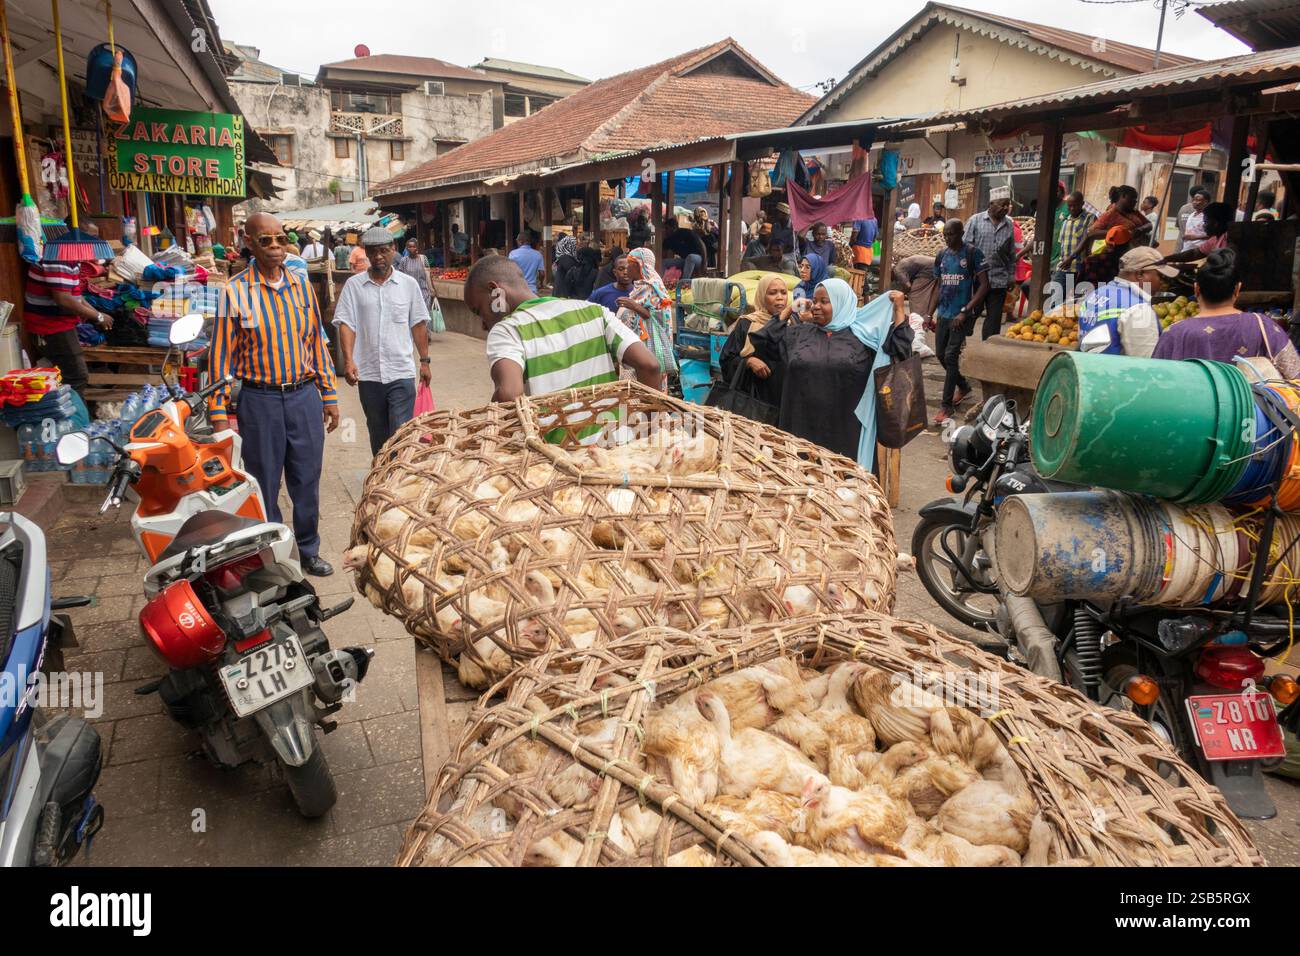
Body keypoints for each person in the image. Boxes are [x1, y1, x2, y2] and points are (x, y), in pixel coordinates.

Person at [209, 212, 339, 577]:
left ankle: (309, 548)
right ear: (248, 242)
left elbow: (316, 346)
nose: (276, 247)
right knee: (264, 483)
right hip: (260, 401)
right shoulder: (233, 293)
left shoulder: (301, 288)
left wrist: (329, 397)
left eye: (281, 239)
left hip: (303, 398)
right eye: (265, 241)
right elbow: (219, 361)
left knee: (307, 480)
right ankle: (274, 553)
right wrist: (219, 417)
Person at [749, 279, 912, 469]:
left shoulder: (863, 338)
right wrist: (789, 309)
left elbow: (901, 350)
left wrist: (899, 309)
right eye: (815, 301)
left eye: (824, 301)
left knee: (844, 487)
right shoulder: (799, 334)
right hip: (799, 429)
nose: (816, 306)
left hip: (845, 434)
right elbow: (763, 341)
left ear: (841, 303)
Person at [466, 255, 660, 403]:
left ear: (495, 291)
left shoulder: (506, 331)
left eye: (478, 310)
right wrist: (649, 431)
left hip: (553, 453)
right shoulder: (595, 312)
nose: (483, 324)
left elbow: (509, 395)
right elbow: (650, 365)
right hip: (611, 448)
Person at [332, 228, 432, 457]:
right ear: (366, 252)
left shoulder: (408, 285)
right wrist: (348, 361)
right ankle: (381, 475)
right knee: (377, 433)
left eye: (384, 251)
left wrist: (425, 361)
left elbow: (418, 324)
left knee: (399, 431)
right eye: (373, 252)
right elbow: (347, 324)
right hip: (368, 375)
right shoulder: (354, 286)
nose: (378, 256)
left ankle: (396, 479)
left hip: (401, 373)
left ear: (393, 250)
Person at [1153, 248, 1300, 378]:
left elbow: (1154, 382)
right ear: (1237, 289)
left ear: (1196, 289)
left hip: (1190, 408)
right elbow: (1295, 374)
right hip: (1247, 409)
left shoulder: (1174, 333)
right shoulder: (1263, 325)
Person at [23, 240, 114, 398]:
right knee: (76, 376)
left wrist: (98, 316)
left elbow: (76, 296)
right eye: (89, 237)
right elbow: (63, 299)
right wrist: (98, 316)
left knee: (72, 375)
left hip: (59, 324)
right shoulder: (57, 259)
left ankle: (74, 416)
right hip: (49, 326)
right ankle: (76, 420)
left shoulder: (71, 259)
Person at [927, 219, 989, 426]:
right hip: (944, 313)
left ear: (961, 233)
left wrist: (966, 311)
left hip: (961, 315)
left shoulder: (972, 253)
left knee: (951, 356)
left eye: (952, 234)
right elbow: (938, 286)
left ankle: (946, 406)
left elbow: (984, 286)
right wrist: (929, 314)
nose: (948, 238)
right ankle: (963, 385)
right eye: (945, 234)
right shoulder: (941, 256)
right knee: (940, 354)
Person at [1076, 246, 1172, 358]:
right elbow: (1146, 364)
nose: (1162, 282)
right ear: (1140, 274)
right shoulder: (1139, 309)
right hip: (1117, 374)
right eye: (1160, 276)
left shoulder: (1095, 295)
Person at [718, 274, 793, 410]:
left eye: (783, 292)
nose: (780, 297)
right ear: (762, 296)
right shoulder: (746, 323)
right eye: (772, 293)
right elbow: (726, 359)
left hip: (783, 400)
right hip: (753, 400)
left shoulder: (791, 324)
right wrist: (748, 362)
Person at [616, 247, 676, 386]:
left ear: (639, 265)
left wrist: (634, 306)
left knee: (642, 385)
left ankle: (644, 408)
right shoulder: (640, 286)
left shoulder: (652, 287)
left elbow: (658, 315)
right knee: (629, 386)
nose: (626, 268)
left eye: (629, 263)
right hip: (634, 346)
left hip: (648, 347)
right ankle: (630, 408)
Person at [964, 188, 1015, 339]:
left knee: (994, 319)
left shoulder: (1009, 225)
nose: (1006, 208)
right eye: (1002, 204)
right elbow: (965, 248)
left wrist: (1011, 275)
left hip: (999, 279)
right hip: (977, 279)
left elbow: (1011, 253)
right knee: (972, 311)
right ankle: (963, 337)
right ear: (991, 204)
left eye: (1008, 204)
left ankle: (988, 346)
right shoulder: (975, 220)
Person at [1160, 201, 1231, 269]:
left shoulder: (1229, 241)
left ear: (1215, 223)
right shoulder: (1215, 239)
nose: (1203, 225)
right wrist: (1167, 259)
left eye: (1205, 222)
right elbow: (1194, 254)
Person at [1052, 190, 1095, 298]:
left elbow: (1087, 240)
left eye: (1075, 206)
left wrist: (1071, 258)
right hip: (1064, 267)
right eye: (1069, 206)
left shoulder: (1090, 218)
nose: (1072, 209)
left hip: (1081, 267)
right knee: (1056, 299)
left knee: (1077, 301)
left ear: (1082, 203)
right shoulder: (1066, 221)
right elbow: (1061, 245)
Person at [1087, 185, 1152, 254]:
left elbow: (1149, 224)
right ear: (1123, 196)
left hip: (1140, 252)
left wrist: (1140, 229)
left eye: (1136, 199)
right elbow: (1092, 233)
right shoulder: (1110, 214)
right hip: (1120, 255)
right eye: (1133, 198)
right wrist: (1117, 232)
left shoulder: (1134, 212)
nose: (1135, 201)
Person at [661, 218, 706, 285]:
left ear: (674, 227)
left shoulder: (686, 232)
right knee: (664, 262)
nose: (666, 231)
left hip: (698, 258)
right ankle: (660, 284)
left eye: (667, 228)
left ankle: (684, 284)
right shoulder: (668, 240)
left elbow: (702, 245)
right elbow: (663, 253)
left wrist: (704, 264)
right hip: (686, 260)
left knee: (690, 257)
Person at [394, 236, 434, 310]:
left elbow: (428, 274)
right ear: (406, 248)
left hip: (424, 294)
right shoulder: (404, 261)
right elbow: (400, 277)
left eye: (414, 246)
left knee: (424, 318)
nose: (412, 249)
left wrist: (433, 290)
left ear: (417, 247)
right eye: (409, 247)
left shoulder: (423, 258)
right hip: (409, 294)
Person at [893, 254, 936, 319]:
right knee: (923, 296)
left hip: (929, 269)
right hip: (931, 265)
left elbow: (908, 286)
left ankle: (918, 320)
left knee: (914, 295)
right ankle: (923, 318)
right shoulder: (901, 265)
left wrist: (902, 294)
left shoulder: (898, 270)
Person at [1177, 185, 1211, 251]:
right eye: (1194, 200)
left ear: (1206, 202)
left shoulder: (1209, 216)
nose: (1194, 202)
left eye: (1198, 200)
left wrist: (1195, 237)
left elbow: (1214, 235)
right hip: (1186, 249)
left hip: (1201, 252)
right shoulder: (1192, 215)